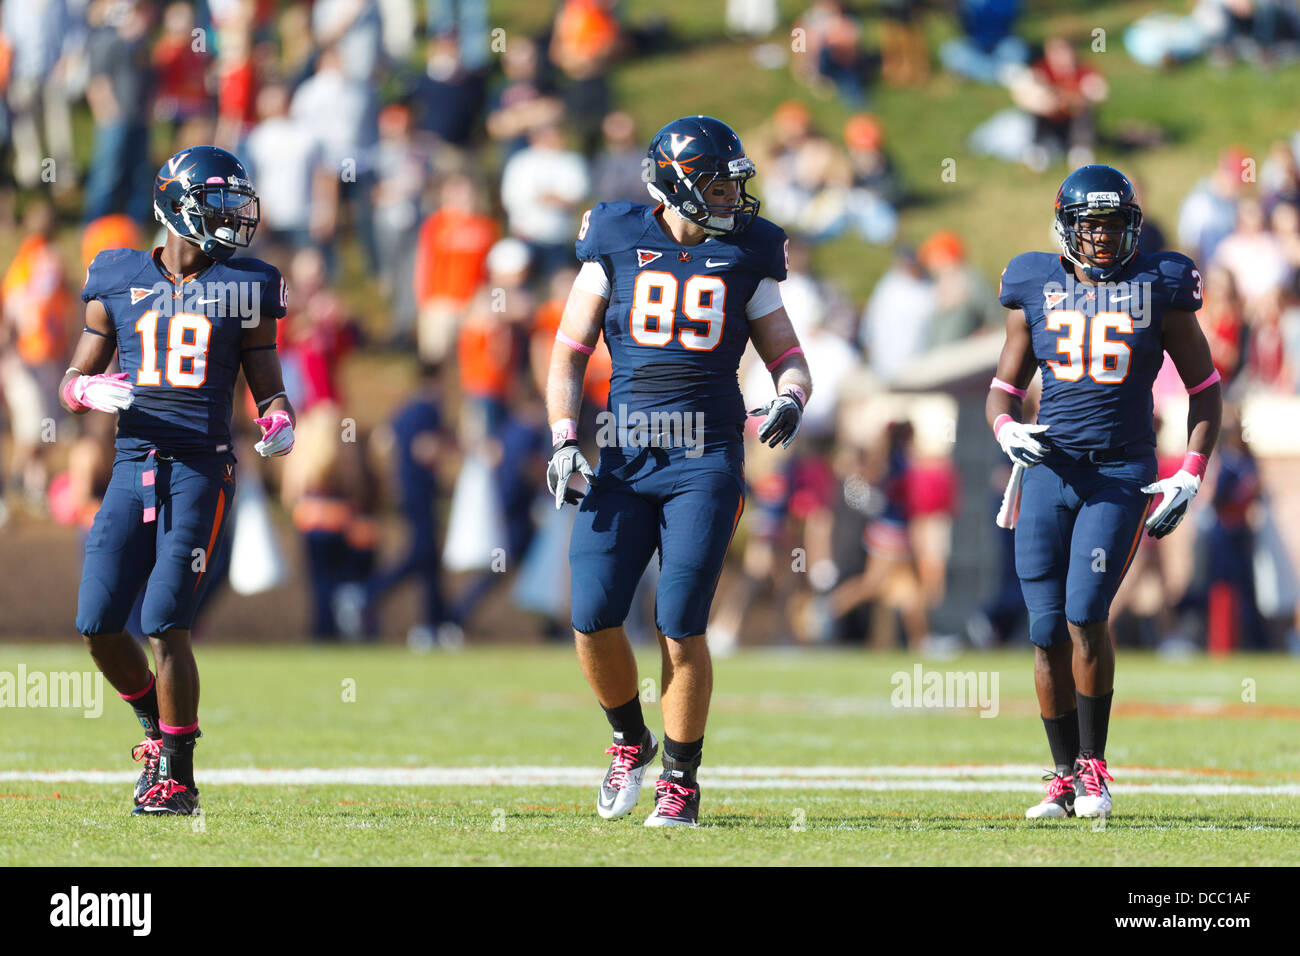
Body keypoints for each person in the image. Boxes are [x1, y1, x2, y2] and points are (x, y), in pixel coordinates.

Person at [545, 115, 812, 827]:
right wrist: (565, 435)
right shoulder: (613, 237)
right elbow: (569, 351)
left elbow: (789, 356)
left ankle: (682, 781)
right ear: (673, 184)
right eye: (718, 183)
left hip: (706, 460)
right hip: (626, 458)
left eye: (735, 183)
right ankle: (631, 740)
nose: (732, 197)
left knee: (679, 623)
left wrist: (791, 396)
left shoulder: (748, 252)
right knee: (592, 615)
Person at [60, 146, 295, 816]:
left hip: (200, 466)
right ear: (174, 207)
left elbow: (269, 389)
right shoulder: (116, 273)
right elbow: (74, 374)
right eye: (216, 203)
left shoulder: (246, 285)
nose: (231, 217)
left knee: (165, 619)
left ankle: (178, 776)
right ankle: (153, 731)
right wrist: (83, 390)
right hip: (133, 463)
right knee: (98, 622)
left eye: (235, 203)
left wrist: (278, 421)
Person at [989, 165, 1220, 820]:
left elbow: (1205, 389)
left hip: (1119, 474)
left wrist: (1191, 470)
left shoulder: (1160, 285)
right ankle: (1060, 778)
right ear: (1066, 226)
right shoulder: (1034, 283)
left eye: (1114, 225)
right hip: (1048, 473)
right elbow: (1003, 387)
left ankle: (1095, 770)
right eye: (1091, 226)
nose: (1102, 238)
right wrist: (1005, 428)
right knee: (1043, 631)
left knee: (1086, 611)